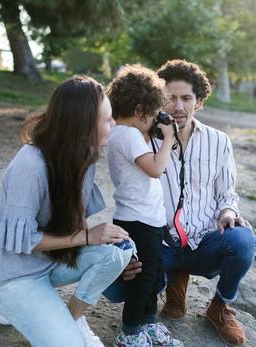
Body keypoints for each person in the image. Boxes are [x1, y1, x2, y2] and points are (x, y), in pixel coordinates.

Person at [104, 60, 256, 346]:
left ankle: (220, 307)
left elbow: (228, 193)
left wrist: (228, 212)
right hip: (159, 242)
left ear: (198, 102)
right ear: (156, 103)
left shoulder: (219, 141)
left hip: (202, 242)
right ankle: (170, 291)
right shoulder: (142, 140)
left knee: (243, 241)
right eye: (169, 98)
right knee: (118, 285)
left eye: (186, 98)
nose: (177, 106)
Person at [0, 76, 135, 347]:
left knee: (120, 248)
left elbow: (71, 223)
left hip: (51, 262)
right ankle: (4, 300)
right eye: (107, 120)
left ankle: (71, 318)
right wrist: (87, 237)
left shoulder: (83, 156)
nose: (113, 125)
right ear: (82, 125)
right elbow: (21, 243)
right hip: (17, 274)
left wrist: (100, 244)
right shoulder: (29, 165)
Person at [105, 64, 182, 347]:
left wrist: (154, 136)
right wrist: (169, 139)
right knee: (143, 278)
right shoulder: (127, 135)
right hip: (138, 219)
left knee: (152, 275)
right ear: (140, 110)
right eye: (151, 115)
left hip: (146, 218)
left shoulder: (124, 133)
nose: (153, 120)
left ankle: (148, 326)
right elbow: (154, 169)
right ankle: (129, 333)